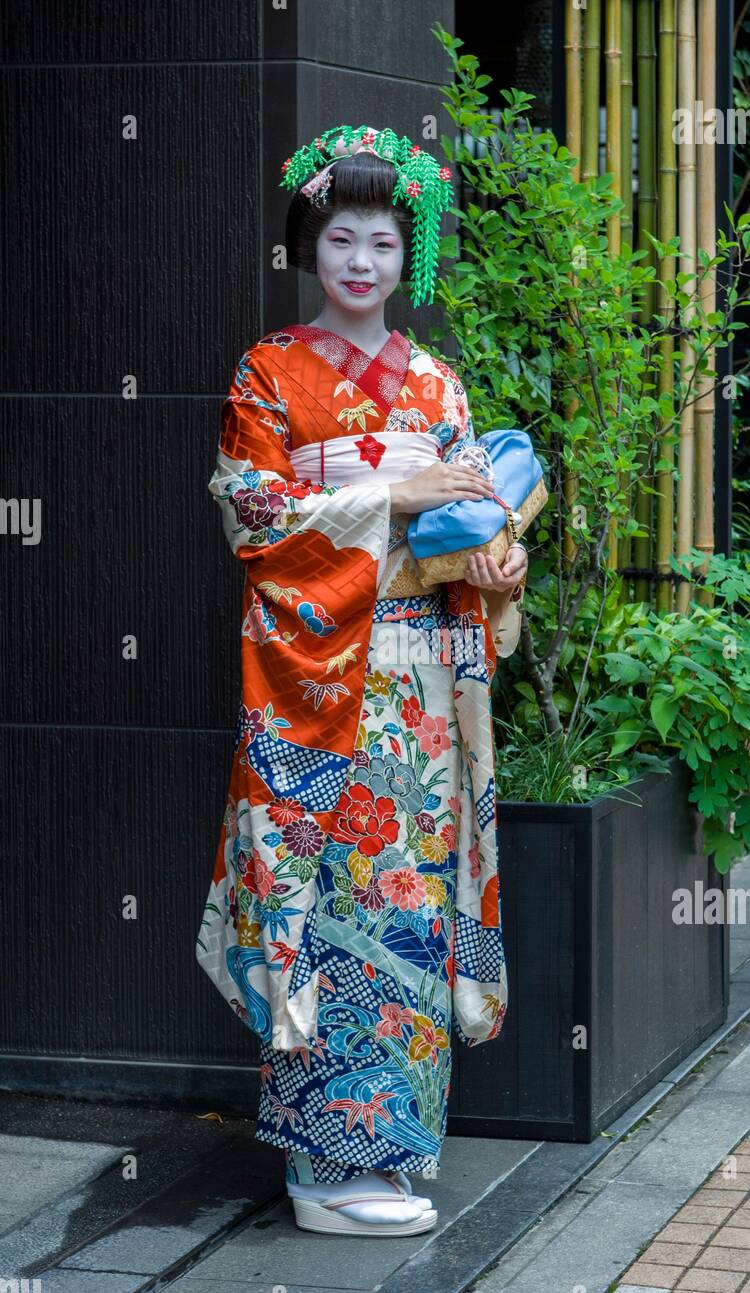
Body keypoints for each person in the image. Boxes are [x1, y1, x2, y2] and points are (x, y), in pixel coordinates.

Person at [197, 125, 529, 1236]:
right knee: (329, 909)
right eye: (340, 238)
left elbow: (468, 526)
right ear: (310, 245)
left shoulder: (436, 384)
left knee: (411, 913)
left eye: (382, 244)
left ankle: (391, 1150)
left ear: (407, 256)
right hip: (321, 682)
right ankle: (318, 1168)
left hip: (423, 694)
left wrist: (492, 561)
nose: (359, 262)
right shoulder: (269, 371)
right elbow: (252, 515)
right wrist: (393, 496)